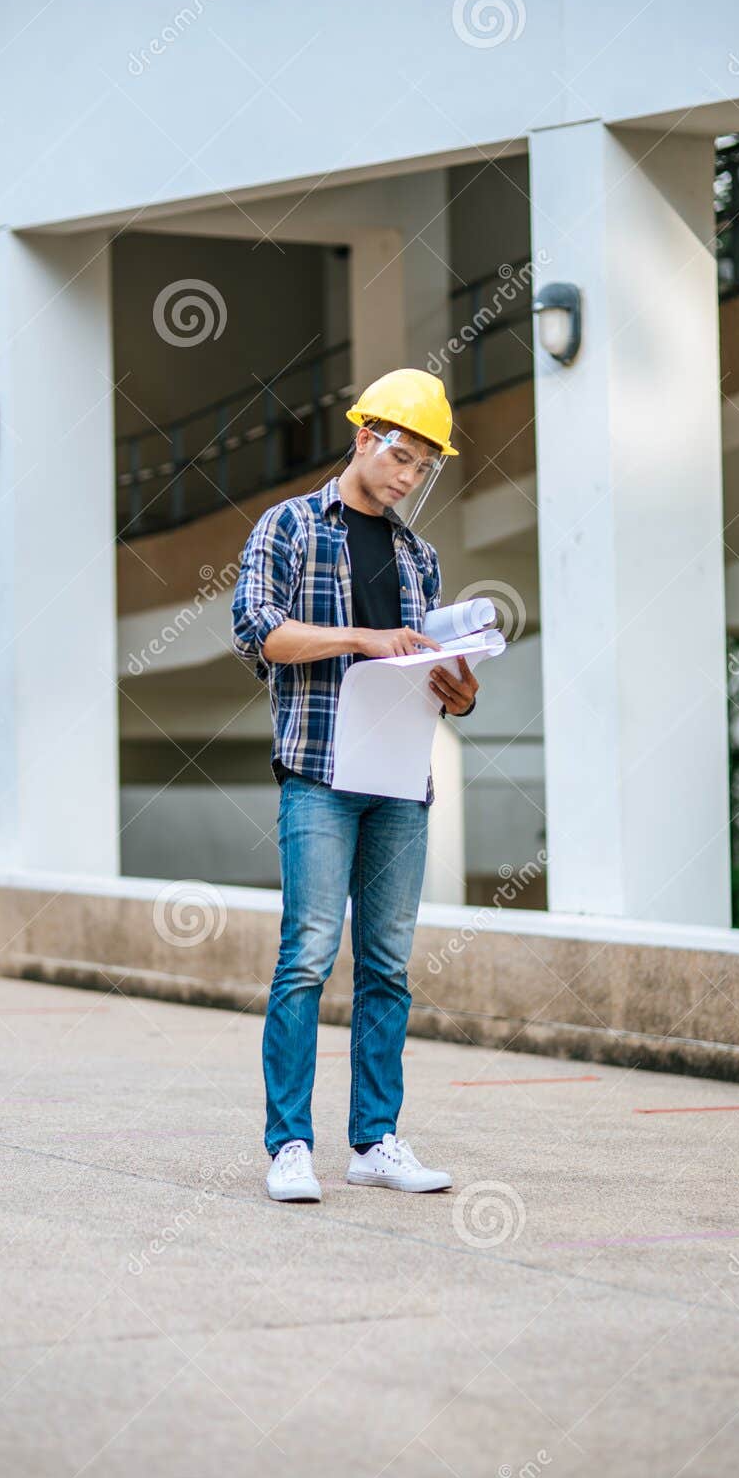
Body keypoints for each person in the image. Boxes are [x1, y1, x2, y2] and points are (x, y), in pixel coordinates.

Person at [231, 368, 479, 1204]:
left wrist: (459, 688)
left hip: (402, 783)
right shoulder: (290, 526)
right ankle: (289, 1145)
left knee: (388, 967)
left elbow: (426, 671)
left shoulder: (420, 556)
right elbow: (261, 633)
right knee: (305, 959)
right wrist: (364, 640)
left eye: (423, 468)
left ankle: (374, 1141)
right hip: (318, 776)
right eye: (402, 457)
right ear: (365, 437)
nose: (410, 477)